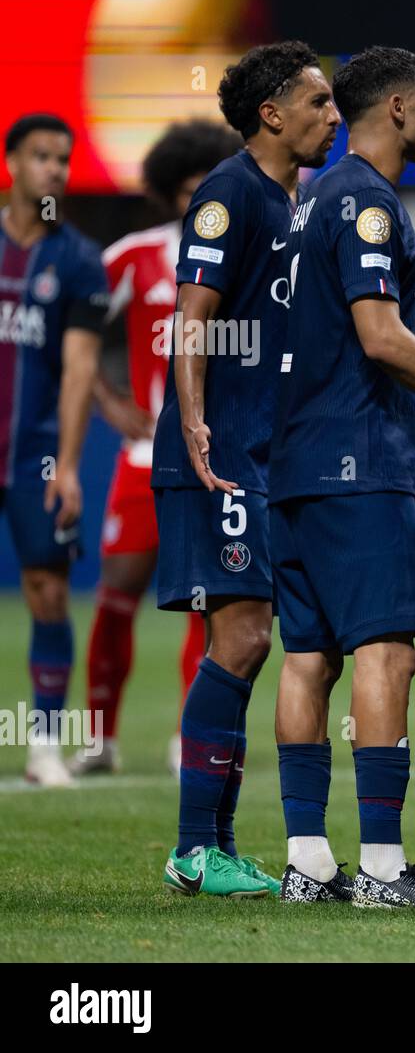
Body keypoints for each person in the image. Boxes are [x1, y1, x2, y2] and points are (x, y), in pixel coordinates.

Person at [271, 46, 415, 910]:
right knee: (385, 650)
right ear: (394, 108)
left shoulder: (311, 197)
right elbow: (381, 339)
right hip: (351, 467)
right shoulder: (364, 200)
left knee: (309, 658)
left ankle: (309, 863)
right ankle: (385, 871)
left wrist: (410, 486)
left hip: (300, 467)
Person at [157, 41, 340, 899]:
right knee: (243, 637)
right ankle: (196, 848)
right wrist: (195, 423)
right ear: (272, 114)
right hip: (221, 451)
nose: (333, 117)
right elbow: (190, 319)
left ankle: (216, 848)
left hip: (264, 452)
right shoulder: (230, 193)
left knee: (247, 641)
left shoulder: (290, 199)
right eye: (318, 104)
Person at [70, 120, 242, 778]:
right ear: (170, 192)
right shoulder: (136, 254)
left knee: (208, 603)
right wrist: (112, 403)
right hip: (145, 460)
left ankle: (184, 739)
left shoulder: (247, 254)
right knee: (116, 596)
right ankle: (100, 738)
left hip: (221, 458)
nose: (202, 202)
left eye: (212, 190)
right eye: (190, 190)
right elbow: (74, 334)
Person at [0, 113, 108, 788]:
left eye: (64, 160)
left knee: (47, 587)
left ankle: (44, 743)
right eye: (41, 156)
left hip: (35, 454)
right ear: (11, 162)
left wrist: (67, 465)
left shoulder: (77, 260)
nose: (54, 171)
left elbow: (78, 373)